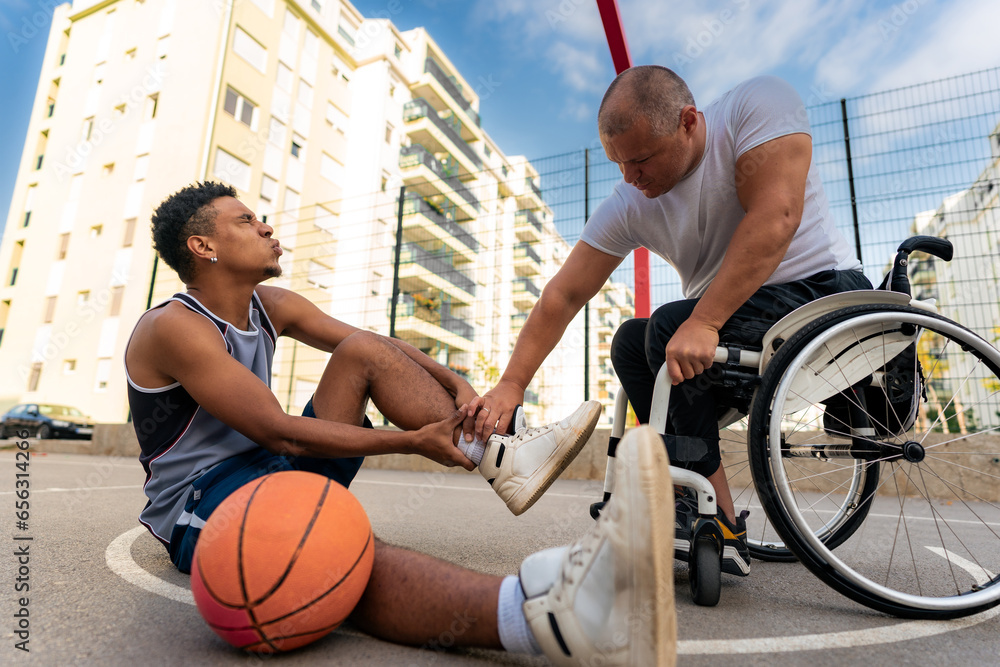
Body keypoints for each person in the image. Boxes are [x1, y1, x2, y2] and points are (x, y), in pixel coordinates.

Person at [124, 182, 676, 664]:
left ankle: (503, 456)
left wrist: (455, 380)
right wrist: (411, 441)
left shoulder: (269, 304)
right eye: (245, 220)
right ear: (203, 247)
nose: (266, 226)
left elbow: (377, 347)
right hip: (208, 497)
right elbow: (278, 429)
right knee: (334, 552)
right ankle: (549, 614)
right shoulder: (174, 326)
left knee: (362, 349)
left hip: (277, 468)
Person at [476, 66, 872, 577]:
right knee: (629, 340)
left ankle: (717, 518)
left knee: (667, 327)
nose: (629, 178)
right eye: (617, 163)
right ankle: (710, 509)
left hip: (822, 292)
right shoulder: (632, 200)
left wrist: (704, 321)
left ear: (688, 122)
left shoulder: (757, 104)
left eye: (639, 159)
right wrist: (512, 383)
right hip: (739, 318)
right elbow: (565, 292)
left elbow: (777, 216)